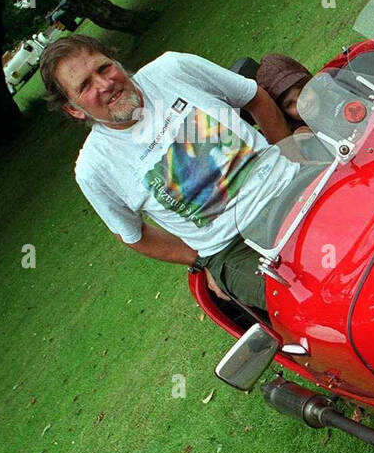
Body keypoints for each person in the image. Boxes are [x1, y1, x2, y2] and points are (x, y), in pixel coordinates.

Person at [39, 34, 291, 312]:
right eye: (85, 86)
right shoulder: (94, 168)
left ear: (117, 62)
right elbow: (133, 235)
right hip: (233, 247)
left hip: (287, 185)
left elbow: (254, 97)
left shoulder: (172, 69)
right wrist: (200, 260)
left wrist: (292, 154)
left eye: (104, 68)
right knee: (303, 302)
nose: (105, 84)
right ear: (73, 109)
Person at [254, 53, 312, 132]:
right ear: (283, 113)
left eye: (303, 93)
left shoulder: (331, 87)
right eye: (290, 104)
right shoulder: (294, 135)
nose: (303, 105)